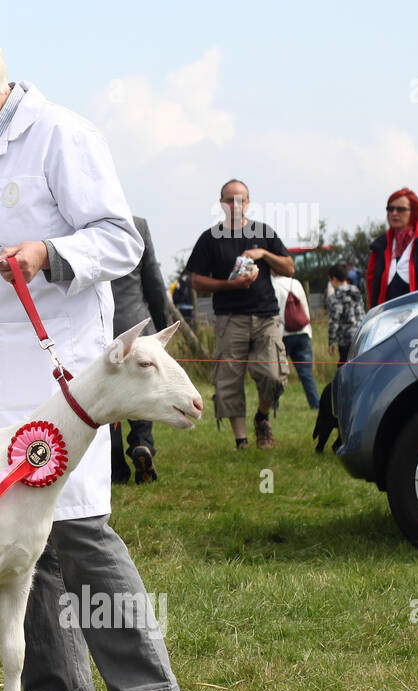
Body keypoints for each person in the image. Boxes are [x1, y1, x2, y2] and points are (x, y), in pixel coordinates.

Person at [0, 16, 183, 691]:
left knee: (80, 532)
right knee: (9, 537)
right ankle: (56, 688)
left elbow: (120, 237)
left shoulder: (61, 136)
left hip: (47, 370)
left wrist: (46, 254)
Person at [184, 179, 293, 450]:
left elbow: (289, 268)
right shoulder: (210, 238)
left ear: (249, 203)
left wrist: (265, 254)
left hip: (266, 315)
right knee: (228, 381)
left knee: (273, 375)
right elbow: (196, 280)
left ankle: (262, 417)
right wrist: (228, 286)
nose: (236, 204)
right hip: (229, 317)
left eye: (241, 199)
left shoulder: (264, 233)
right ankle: (241, 441)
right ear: (221, 203)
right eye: (230, 199)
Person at [109, 216, 170, 483]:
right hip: (135, 323)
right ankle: (141, 442)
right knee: (142, 389)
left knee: (106, 395)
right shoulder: (139, 225)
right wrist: (162, 327)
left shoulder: (80, 226)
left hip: (99, 326)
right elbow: (154, 282)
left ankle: (115, 466)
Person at [272, 271, 320, 410]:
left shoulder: (272, 285)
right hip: (302, 332)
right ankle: (315, 403)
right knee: (306, 374)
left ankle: (274, 405)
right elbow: (304, 306)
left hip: (282, 334)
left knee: (277, 373)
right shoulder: (296, 283)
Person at [326, 262, 365, 364]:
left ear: (333, 279)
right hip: (361, 335)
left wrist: (331, 342)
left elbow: (334, 320)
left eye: (330, 280)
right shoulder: (357, 291)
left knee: (344, 367)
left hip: (345, 339)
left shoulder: (337, 295)